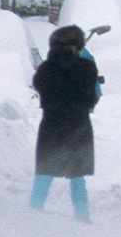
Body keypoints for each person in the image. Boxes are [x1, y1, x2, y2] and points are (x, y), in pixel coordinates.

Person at [30, 25, 99, 222]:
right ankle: (82, 216)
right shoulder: (87, 69)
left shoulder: (45, 70)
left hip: (51, 128)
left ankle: (33, 212)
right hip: (78, 127)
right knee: (77, 176)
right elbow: (92, 98)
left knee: (44, 173)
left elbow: (38, 85)